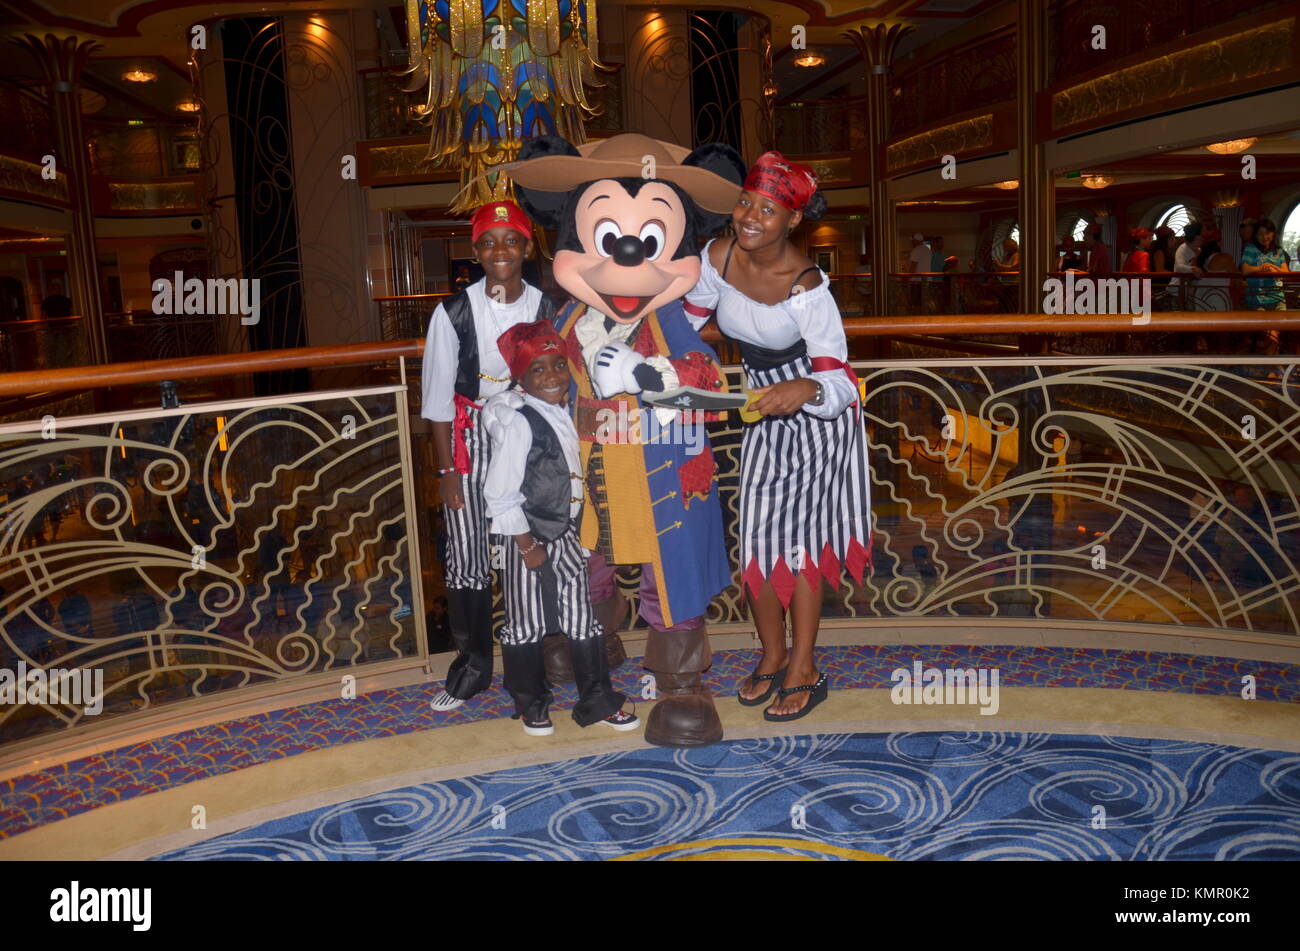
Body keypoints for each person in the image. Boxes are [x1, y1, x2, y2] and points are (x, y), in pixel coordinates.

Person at [505, 131, 743, 747]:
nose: (630, 259)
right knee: (588, 563)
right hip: (588, 472)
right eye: (608, 240)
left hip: (659, 473)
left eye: (652, 241)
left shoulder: (671, 322)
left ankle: (680, 682)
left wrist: (650, 377)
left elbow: (707, 383)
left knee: (671, 577)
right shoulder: (564, 322)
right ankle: (592, 645)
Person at [684, 151, 871, 722]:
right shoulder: (716, 255)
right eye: (746, 202)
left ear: (792, 221)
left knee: (803, 544)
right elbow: (687, 322)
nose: (749, 217)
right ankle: (772, 655)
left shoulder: (806, 286)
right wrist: (671, 366)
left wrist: (807, 390)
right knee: (760, 539)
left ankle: (804, 667)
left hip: (818, 424)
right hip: (761, 410)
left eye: (767, 210)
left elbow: (840, 379)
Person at [420, 200, 555, 711]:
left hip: (529, 430)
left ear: (527, 246)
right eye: (489, 242)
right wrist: (447, 470)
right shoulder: (452, 312)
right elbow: (435, 399)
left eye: (512, 239)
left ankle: (537, 658)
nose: (501, 250)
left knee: (533, 542)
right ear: (476, 251)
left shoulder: (545, 306)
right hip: (468, 435)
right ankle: (472, 668)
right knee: (468, 556)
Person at [481, 321, 640, 736]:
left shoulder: (561, 410)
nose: (551, 376)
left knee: (581, 619)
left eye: (557, 366)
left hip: (567, 535)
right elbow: (499, 493)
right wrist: (526, 543)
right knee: (527, 622)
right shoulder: (517, 423)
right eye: (538, 370)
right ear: (521, 378)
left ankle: (597, 700)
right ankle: (531, 703)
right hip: (529, 540)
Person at [1241, 217, 1289, 310]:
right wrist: (1261, 268)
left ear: (1273, 233)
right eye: (1260, 234)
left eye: (1267, 233)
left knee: (1283, 324)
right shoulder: (1250, 249)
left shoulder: (1278, 251)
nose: (1264, 237)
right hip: (1256, 299)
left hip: (1278, 298)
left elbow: (1285, 272)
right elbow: (1245, 270)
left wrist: (1272, 268)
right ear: (1255, 235)